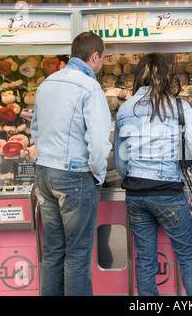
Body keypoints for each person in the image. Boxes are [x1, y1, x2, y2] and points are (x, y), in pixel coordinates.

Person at [114, 53, 192, 296]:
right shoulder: (178, 106)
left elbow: (120, 160)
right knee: (188, 257)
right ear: (165, 77)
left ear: (138, 77)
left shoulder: (125, 109)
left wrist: (133, 175)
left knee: (145, 260)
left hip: (135, 195)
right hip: (168, 193)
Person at [31, 32, 112, 296]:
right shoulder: (90, 87)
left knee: (53, 250)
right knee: (77, 254)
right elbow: (99, 142)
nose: (102, 64)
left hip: (44, 173)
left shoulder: (47, 84)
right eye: (103, 58)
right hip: (75, 176)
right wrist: (98, 175)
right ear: (95, 56)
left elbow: (36, 130)